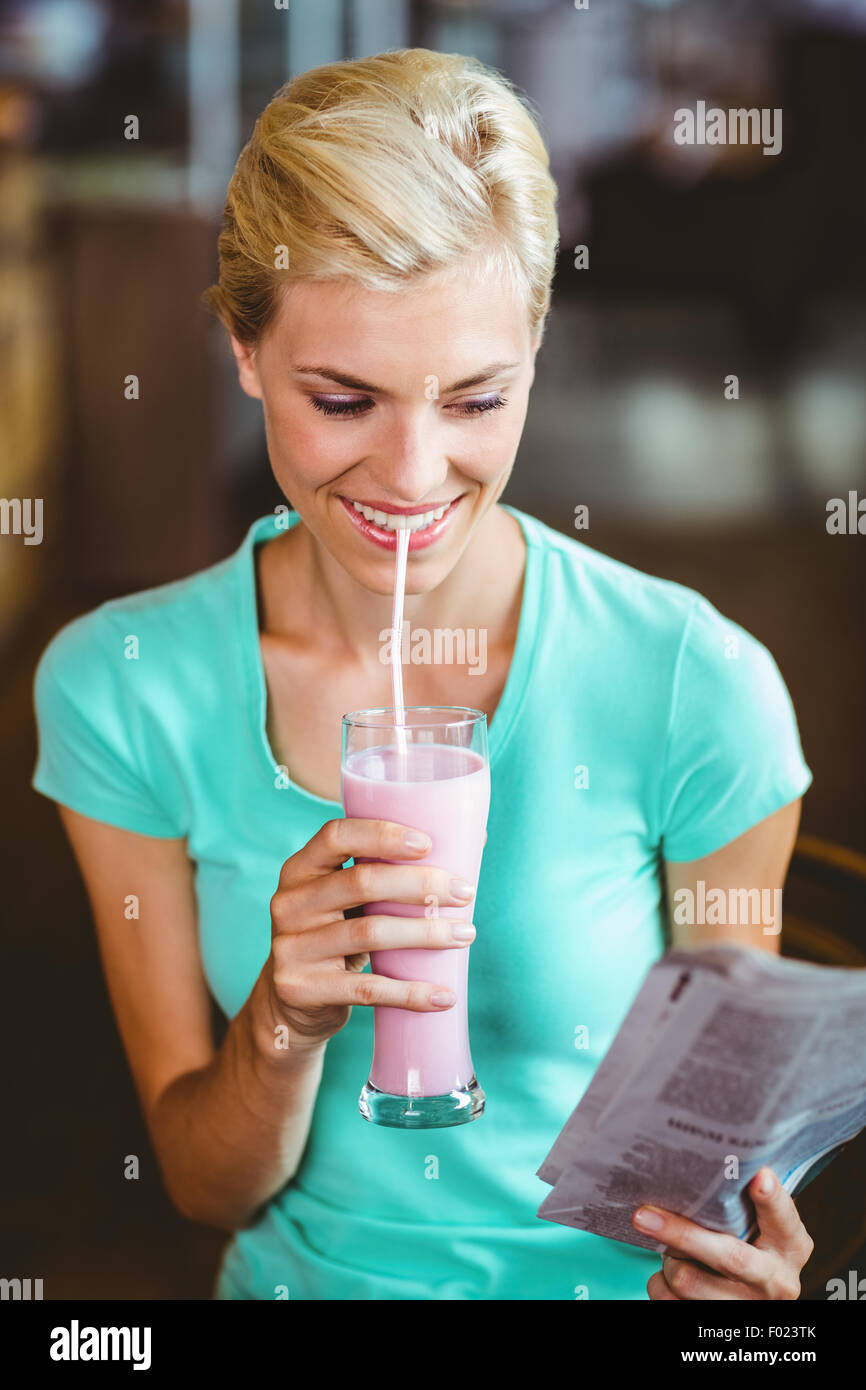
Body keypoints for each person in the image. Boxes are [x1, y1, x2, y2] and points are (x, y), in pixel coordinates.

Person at [31, 48, 815, 1300]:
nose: (410, 475)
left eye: (473, 398)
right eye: (342, 399)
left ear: (536, 348)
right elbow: (200, 1181)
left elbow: (726, 1163)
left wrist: (741, 1289)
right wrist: (281, 1024)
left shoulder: (694, 684)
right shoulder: (123, 687)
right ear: (243, 348)